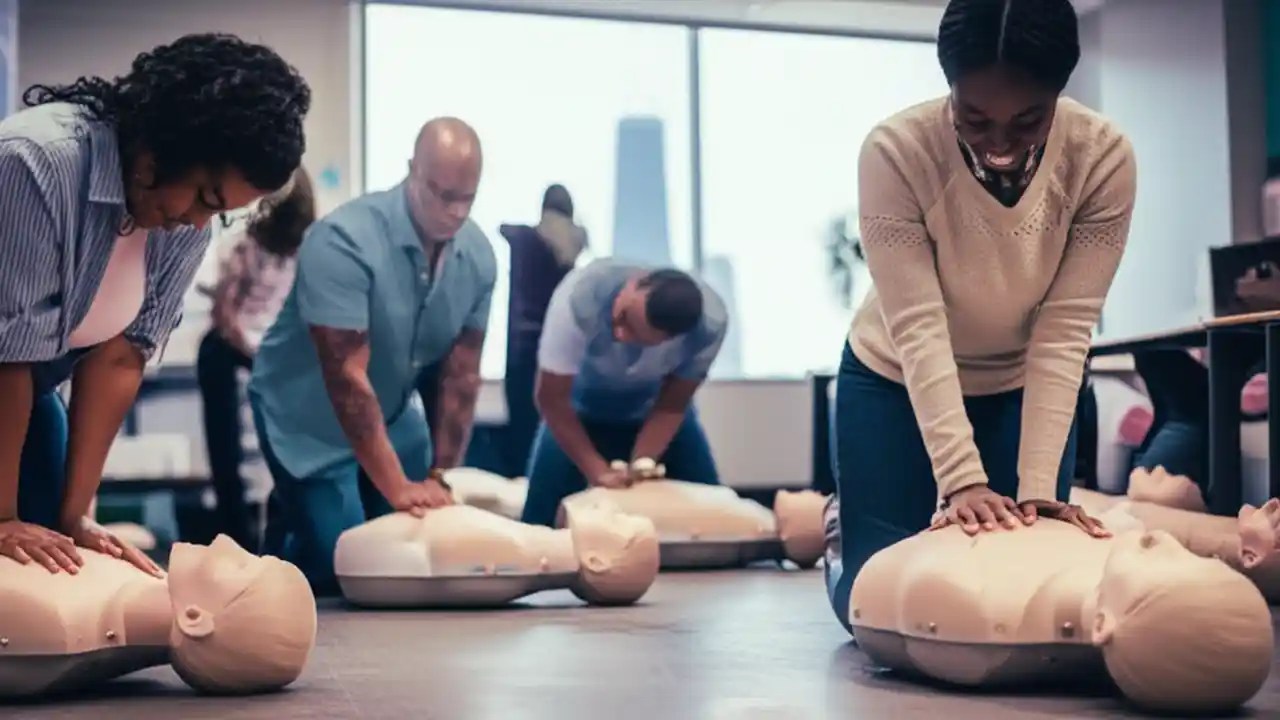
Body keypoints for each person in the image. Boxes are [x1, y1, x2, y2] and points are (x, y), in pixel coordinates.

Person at [825, 0, 1137, 627]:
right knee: (876, 606)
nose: (999, 146)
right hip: (893, 377)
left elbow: (1065, 329)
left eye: (1028, 121)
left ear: (1060, 92)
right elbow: (918, 324)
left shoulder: (1102, 158)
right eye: (975, 118)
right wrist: (962, 480)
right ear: (949, 88)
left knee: (1025, 595)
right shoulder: (895, 152)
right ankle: (840, 537)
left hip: (1020, 383)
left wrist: (1040, 491)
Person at [0, 33, 310, 578]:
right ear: (162, 147)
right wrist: (1, 519)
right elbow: (8, 355)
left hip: (30, 389)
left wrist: (76, 516)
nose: (198, 222)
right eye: (205, 198)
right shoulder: (36, 166)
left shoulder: (184, 222)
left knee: (54, 551)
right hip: (8, 372)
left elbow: (121, 357)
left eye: (222, 213)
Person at [249, 117, 495, 595]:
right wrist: (398, 486)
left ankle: (302, 508)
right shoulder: (343, 240)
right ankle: (288, 530)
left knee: (405, 557)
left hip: (393, 413)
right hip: (306, 415)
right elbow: (345, 378)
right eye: (441, 194)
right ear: (411, 171)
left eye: (467, 197)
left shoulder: (479, 257)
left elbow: (461, 378)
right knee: (344, 565)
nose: (455, 212)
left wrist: (439, 475)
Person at [520, 259, 728, 527]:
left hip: (653, 409)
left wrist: (644, 463)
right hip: (576, 411)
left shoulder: (708, 327)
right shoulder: (580, 298)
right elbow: (551, 399)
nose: (619, 332)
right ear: (635, 282)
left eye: (635, 334)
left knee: (712, 519)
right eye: (624, 316)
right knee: (538, 523)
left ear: (668, 341)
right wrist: (596, 470)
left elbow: (671, 406)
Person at [197, 167, 316, 552]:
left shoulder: (307, 249)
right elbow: (226, 315)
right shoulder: (247, 245)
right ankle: (237, 532)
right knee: (214, 351)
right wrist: (253, 351)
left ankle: (269, 529)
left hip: (272, 349)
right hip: (242, 349)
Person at [499, 183, 589, 478]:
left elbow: (503, 228)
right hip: (558, 348)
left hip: (522, 345)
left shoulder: (525, 237)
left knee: (521, 426)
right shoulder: (574, 242)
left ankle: (521, 486)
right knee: (554, 420)